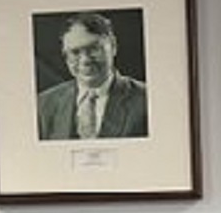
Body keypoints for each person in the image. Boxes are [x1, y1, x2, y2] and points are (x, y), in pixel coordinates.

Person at [36, 12, 148, 141]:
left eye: (94, 49)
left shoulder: (147, 100)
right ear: (65, 56)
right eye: (75, 52)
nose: (85, 60)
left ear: (113, 46)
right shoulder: (44, 104)